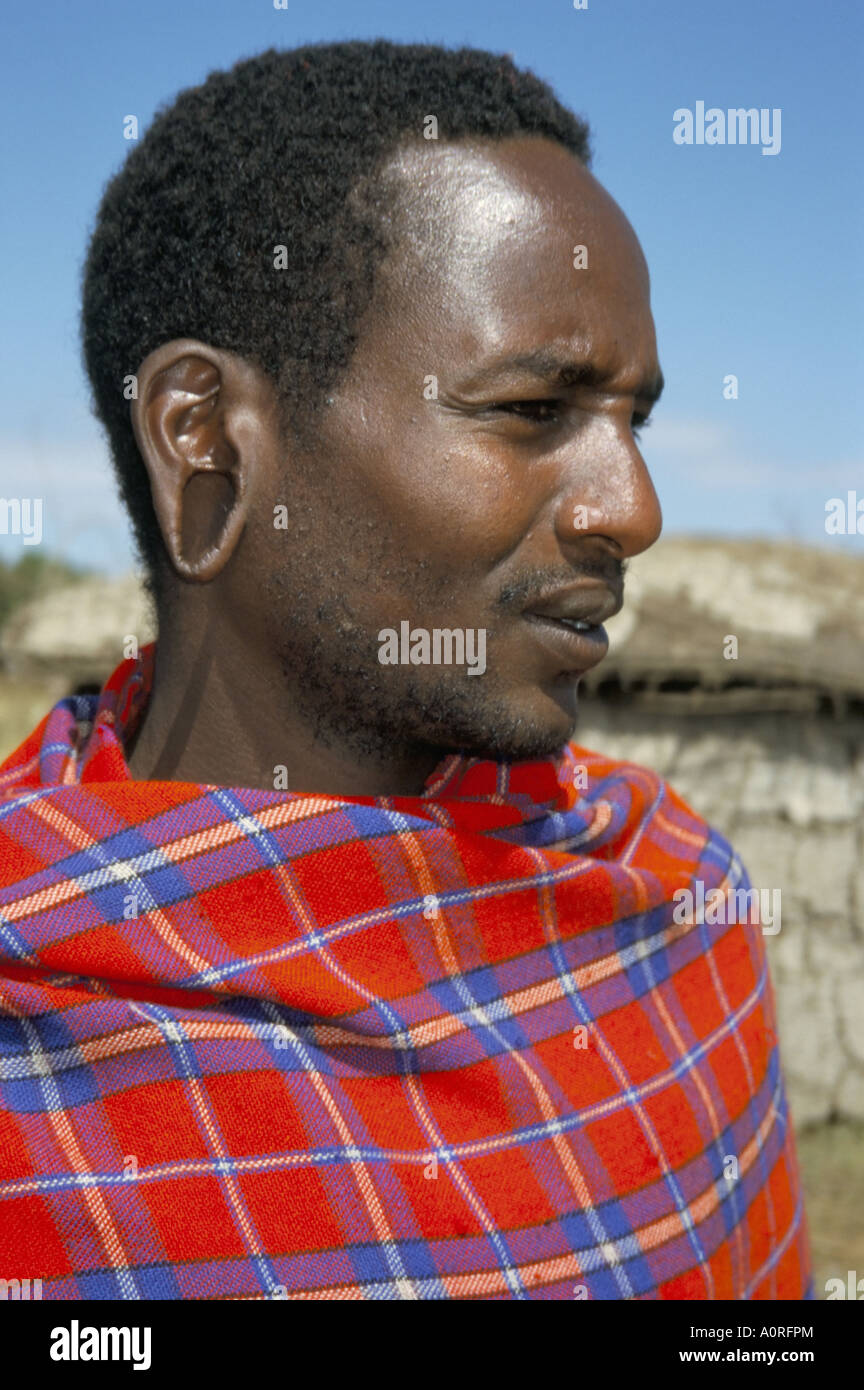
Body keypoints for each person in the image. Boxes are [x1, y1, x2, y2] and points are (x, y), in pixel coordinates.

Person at [0, 40, 810, 1300]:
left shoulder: (659, 903)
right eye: (535, 412)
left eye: (633, 421)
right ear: (205, 438)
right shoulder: (31, 1034)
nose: (633, 507)